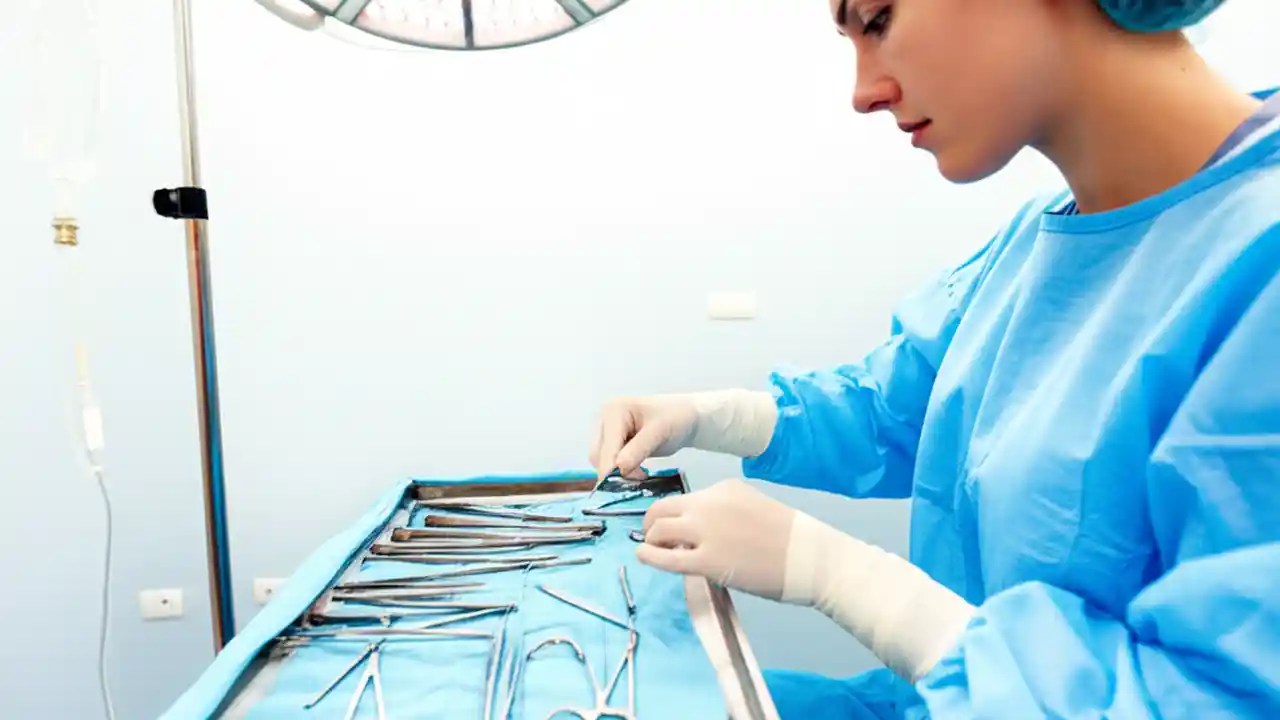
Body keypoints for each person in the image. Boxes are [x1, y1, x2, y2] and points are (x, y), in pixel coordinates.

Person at [588, 1, 1280, 718]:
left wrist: (846, 578)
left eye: (878, 19)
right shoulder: (1043, 242)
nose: (863, 93)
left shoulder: (1261, 265)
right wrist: (708, 416)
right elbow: (900, 410)